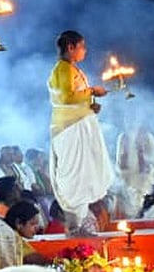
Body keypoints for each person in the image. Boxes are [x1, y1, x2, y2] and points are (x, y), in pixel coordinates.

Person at [47, 31, 114, 234]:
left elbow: (75, 99)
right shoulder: (63, 69)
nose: (85, 50)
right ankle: (74, 227)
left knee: (85, 175)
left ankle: (80, 225)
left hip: (79, 126)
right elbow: (66, 98)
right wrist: (93, 92)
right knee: (74, 178)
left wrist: (90, 107)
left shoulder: (73, 69)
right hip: (69, 130)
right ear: (71, 47)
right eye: (82, 46)